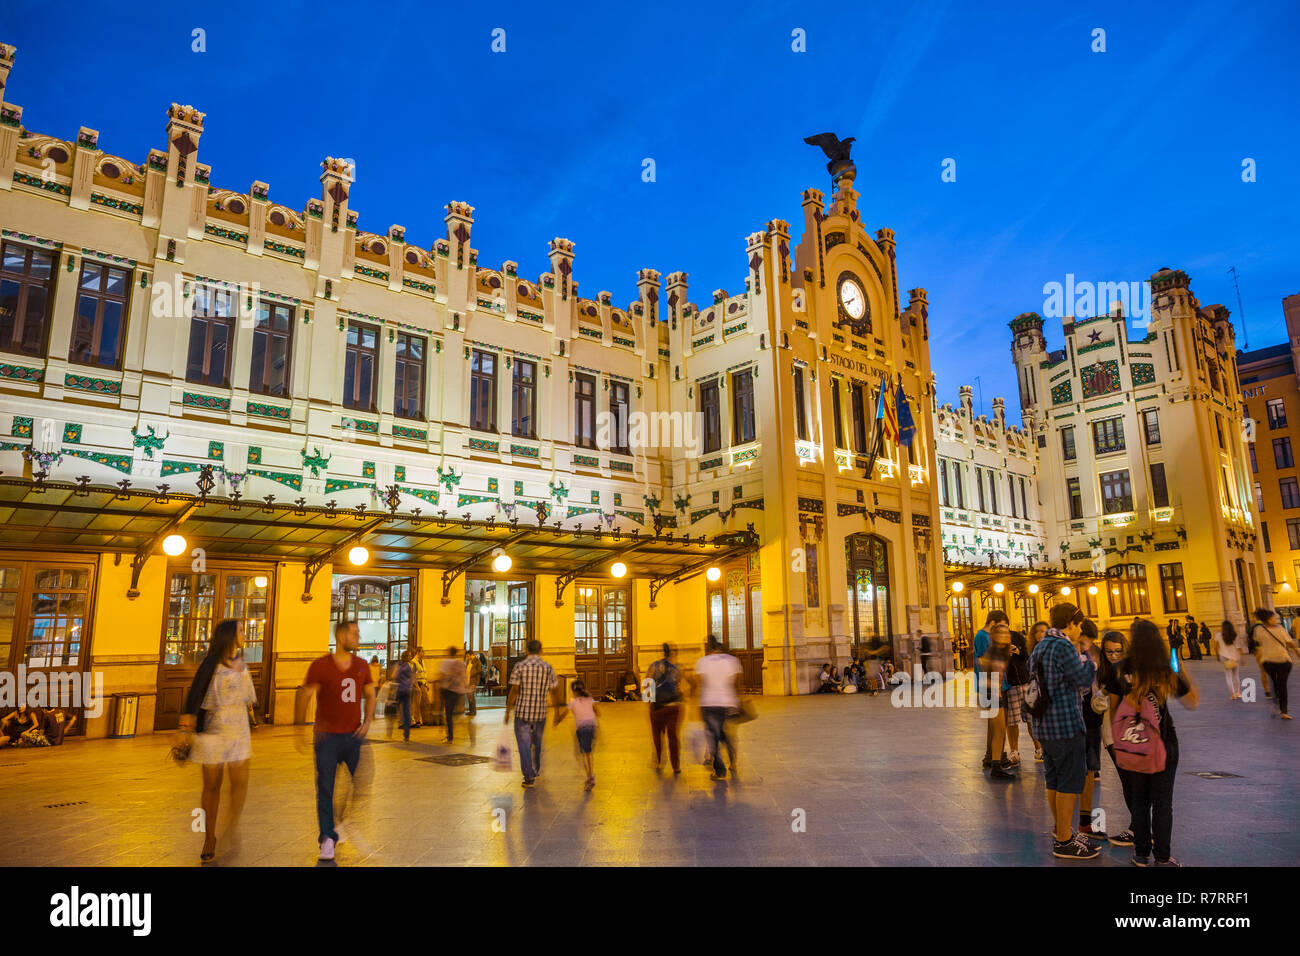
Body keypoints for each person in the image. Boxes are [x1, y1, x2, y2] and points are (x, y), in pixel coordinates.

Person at [1104, 618, 1198, 866]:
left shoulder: (1121, 668)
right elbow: (1192, 701)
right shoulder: (1164, 669)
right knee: (1163, 802)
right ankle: (1163, 858)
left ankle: (1141, 854)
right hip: (1164, 742)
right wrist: (1180, 669)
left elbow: (1113, 710)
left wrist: (1124, 737)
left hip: (1133, 743)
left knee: (1139, 800)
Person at [297, 620, 375, 862]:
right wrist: (299, 727)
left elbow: (371, 694)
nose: (358, 636)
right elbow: (305, 694)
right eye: (354, 633)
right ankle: (327, 838)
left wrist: (367, 722)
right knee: (325, 789)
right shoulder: (321, 666)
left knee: (362, 783)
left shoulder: (362, 666)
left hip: (353, 737)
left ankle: (338, 820)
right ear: (341, 636)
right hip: (327, 738)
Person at [178, 619, 256, 863]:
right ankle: (209, 837)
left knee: (239, 784)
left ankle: (231, 826)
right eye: (241, 630)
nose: (245, 634)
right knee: (212, 786)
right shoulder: (211, 662)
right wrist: (184, 729)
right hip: (214, 730)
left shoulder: (241, 664)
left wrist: (253, 720)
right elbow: (195, 693)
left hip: (239, 731)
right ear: (229, 635)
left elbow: (248, 699)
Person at [1028, 602, 1099, 860]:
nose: (1080, 629)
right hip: (1065, 724)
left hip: (1044, 726)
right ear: (1071, 623)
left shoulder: (1040, 646)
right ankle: (1065, 841)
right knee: (1069, 782)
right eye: (1079, 624)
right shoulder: (1064, 646)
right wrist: (1090, 662)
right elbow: (1081, 679)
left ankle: (1063, 831)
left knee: (1054, 779)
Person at [1097, 630, 1135, 847]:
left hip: (1129, 734)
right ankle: (1137, 827)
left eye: (1117, 651)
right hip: (1111, 734)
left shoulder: (1131, 670)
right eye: (1109, 652)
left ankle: (1137, 828)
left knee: (1132, 783)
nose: (1113, 655)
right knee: (1127, 781)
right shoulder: (1104, 671)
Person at [504, 639, 559, 787]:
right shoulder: (548, 668)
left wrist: (508, 710)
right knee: (537, 742)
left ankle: (529, 776)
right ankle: (536, 767)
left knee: (524, 744)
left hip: (522, 712)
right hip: (540, 712)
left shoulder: (520, 666)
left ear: (526, 650)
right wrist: (557, 712)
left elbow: (514, 690)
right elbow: (554, 691)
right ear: (541, 651)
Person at [692, 635, 743, 781]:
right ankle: (733, 762)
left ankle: (719, 770)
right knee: (725, 733)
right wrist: (738, 702)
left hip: (708, 703)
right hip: (727, 702)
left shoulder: (703, 662)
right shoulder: (732, 661)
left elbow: (699, 685)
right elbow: (737, 685)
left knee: (713, 736)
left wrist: (695, 705)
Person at [973, 609, 1010, 770]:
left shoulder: (992, 638)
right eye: (1001, 626)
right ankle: (992, 757)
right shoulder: (982, 636)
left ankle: (996, 756)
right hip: (991, 687)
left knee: (998, 724)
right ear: (994, 623)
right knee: (996, 725)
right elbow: (982, 661)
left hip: (998, 686)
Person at [979, 622, 1015, 779]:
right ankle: (996, 767)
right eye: (1000, 633)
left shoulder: (1001, 651)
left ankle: (996, 765)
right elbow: (991, 676)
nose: (1004, 636)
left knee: (998, 731)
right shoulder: (994, 652)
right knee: (999, 731)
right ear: (994, 636)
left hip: (992, 694)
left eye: (1006, 633)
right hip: (992, 694)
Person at [1251, 607, 1297, 719]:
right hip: (1283, 660)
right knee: (1282, 685)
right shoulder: (1280, 629)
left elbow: (1258, 640)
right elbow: (1290, 643)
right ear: (1268, 619)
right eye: (1273, 617)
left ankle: (1275, 702)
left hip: (1268, 661)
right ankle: (1284, 711)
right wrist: (1296, 652)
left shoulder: (1258, 630)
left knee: (1275, 683)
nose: (1275, 619)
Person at [647, 643, 684, 773]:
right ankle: (676, 766)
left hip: (657, 707)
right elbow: (678, 686)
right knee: (673, 736)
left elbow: (647, 687)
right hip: (673, 706)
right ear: (672, 653)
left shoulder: (653, 666)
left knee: (657, 736)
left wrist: (650, 705)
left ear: (661, 652)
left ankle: (658, 762)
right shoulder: (676, 668)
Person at [555, 678, 598, 790]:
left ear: (573, 691)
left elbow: (564, 714)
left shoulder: (572, 701)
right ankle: (590, 775)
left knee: (585, 753)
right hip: (592, 727)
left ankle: (590, 777)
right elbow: (597, 711)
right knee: (588, 752)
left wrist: (557, 720)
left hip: (582, 729)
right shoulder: (589, 698)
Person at [1003, 624, 1032, 766]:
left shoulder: (1018, 637)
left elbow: (1027, 654)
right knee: (1012, 720)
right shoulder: (994, 640)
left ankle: (1039, 749)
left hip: (1024, 680)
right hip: (1010, 683)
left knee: (1031, 718)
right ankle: (1014, 751)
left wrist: (1018, 651)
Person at [1025, 621, 1047, 761]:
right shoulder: (1032, 650)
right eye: (1037, 631)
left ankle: (1045, 748)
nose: (1039, 634)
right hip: (1034, 691)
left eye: (1043, 631)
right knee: (1032, 721)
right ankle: (1039, 748)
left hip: (1047, 691)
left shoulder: (1050, 649)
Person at [438, 645, 469, 744]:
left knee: (448, 714)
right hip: (458, 692)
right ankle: (453, 733)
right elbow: (464, 677)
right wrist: (466, 688)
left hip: (447, 690)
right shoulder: (460, 663)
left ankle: (450, 736)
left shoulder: (445, 662)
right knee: (454, 713)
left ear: (449, 653)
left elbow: (442, 675)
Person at [393, 649, 415, 741]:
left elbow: (394, 676)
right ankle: (407, 734)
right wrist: (411, 686)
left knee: (396, 709)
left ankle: (398, 723)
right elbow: (412, 678)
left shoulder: (398, 664)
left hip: (399, 690)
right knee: (407, 711)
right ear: (406, 657)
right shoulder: (409, 666)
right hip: (406, 690)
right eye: (409, 655)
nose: (410, 657)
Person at [1219, 620, 1244, 700]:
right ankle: (1238, 693)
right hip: (1235, 657)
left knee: (1228, 676)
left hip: (1224, 656)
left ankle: (1232, 694)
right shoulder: (1235, 635)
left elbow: (1216, 646)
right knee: (1236, 675)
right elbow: (1239, 647)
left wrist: (1217, 655)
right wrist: (1242, 657)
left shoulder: (1219, 635)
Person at [464, 649, 483, 717]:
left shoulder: (477, 661)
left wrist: (473, 673)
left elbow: (480, 671)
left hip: (473, 681)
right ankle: (470, 710)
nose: (467, 657)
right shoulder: (468, 661)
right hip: (467, 681)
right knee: (469, 696)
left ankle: (473, 711)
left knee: (471, 696)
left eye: (468, 656)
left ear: (472, 655)